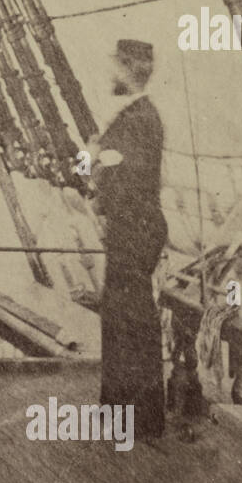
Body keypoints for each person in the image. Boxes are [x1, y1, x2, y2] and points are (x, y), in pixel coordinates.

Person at [90, 38, 168, 440]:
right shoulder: (139, 115)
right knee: (124, 319)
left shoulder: (137, 117)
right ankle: (127, 415)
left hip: (135, 230)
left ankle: (138, 419)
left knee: (130, 321)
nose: (110, 74)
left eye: (114, 67)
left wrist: (97, 160)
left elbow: (120, 167)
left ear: (125, 69)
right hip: (134, 227)